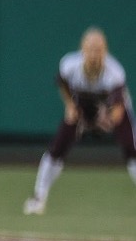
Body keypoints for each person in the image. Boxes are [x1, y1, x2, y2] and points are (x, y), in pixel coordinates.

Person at [25, 27, 136, 215]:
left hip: (109, 109)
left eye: (99, 49)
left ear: (105, 51)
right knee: (57, 148)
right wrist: (70, 105)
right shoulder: (69, 65)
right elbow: (63, 85)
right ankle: (39, 198)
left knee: (131, 149)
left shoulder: (114, 72)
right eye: (91, 48)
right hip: (82, 107)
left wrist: (103, 122)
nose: (94, 53)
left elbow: (117, 111)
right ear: (82, 49)